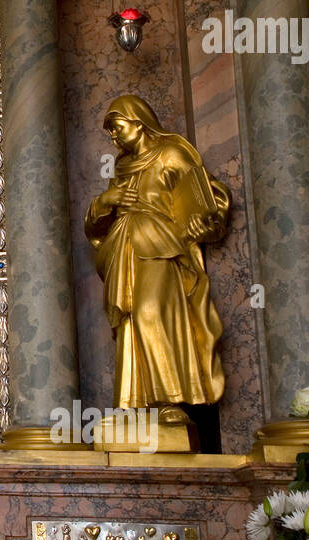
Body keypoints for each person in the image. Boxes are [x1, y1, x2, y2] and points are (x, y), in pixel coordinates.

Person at [83, 95, 229, 421]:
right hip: (125, 250)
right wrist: (106, 200)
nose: (114, 137)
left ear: (139, 122)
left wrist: (203, 219)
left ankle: (170, 400)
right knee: (130, 321)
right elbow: (97, 223)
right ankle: (134, 405)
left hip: (162, 248)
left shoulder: (171, 154)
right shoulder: (123, 167)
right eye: (110, 132)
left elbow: (209, 195)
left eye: (117, 128)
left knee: (151, 313)